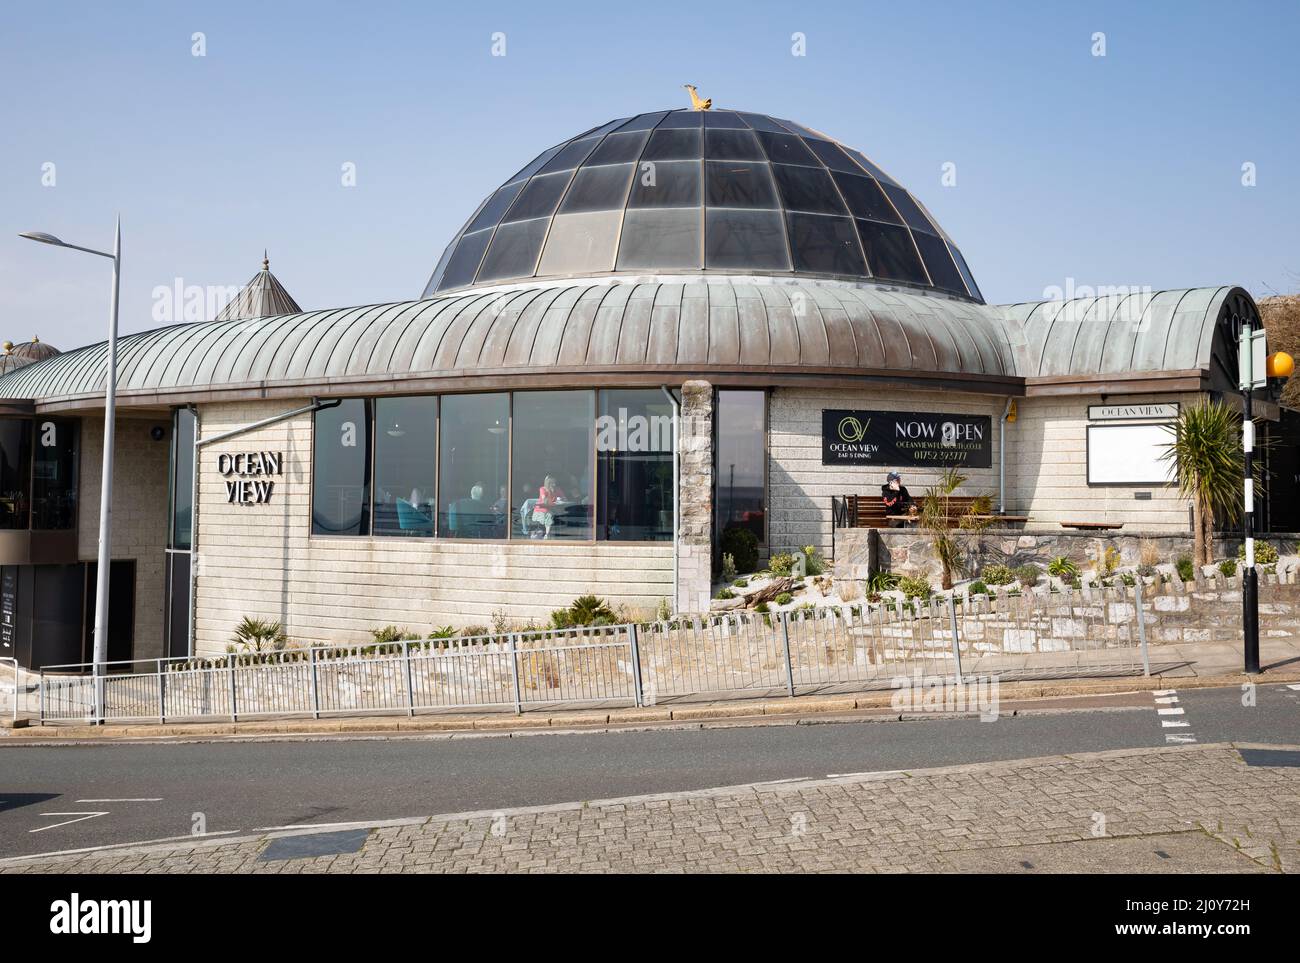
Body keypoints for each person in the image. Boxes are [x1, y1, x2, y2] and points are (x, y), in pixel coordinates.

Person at [532, 474, 567, 538]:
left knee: (561, 514)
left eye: (554, 482)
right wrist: (550, 493)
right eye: (552, 483)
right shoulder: (543, 489)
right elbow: (544, 500)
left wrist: (561, 498)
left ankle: (554, 533)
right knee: (549, 515)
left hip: (553, 508)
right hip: (542, 508)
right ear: (548, 483)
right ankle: (547, 535)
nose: (554, 484)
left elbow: (564, 498)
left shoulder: (557, 489)